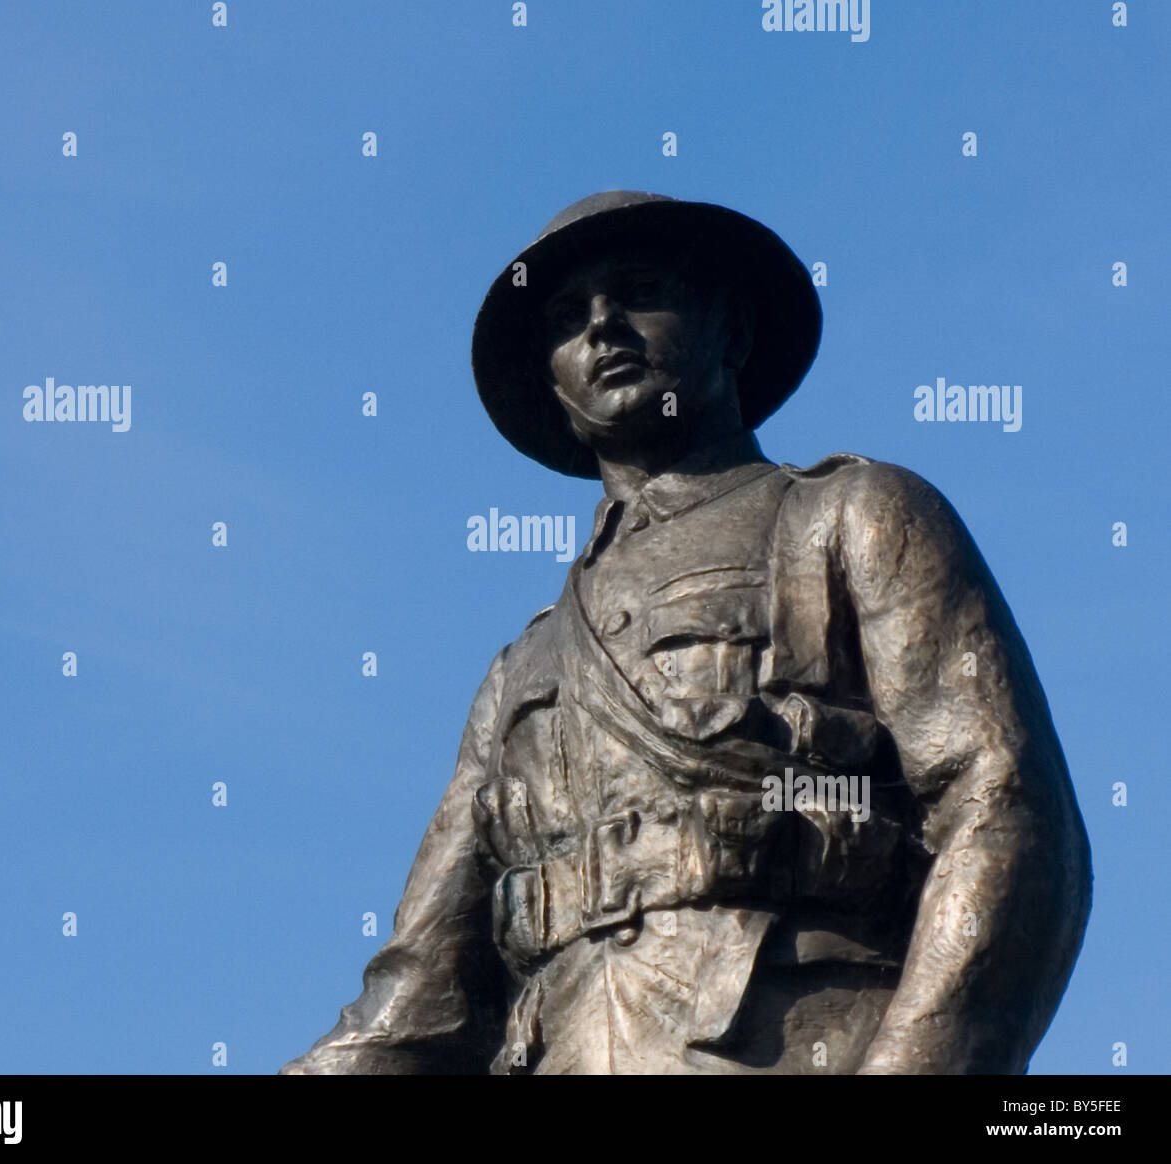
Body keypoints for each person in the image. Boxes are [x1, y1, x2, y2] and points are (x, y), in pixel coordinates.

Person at [281, 191, 1091, 1075]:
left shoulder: (852, 517)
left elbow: (1003, 812)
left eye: (637, 291)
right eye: (567, 317)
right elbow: (421, 997)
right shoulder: (520, 673)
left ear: (731, 331)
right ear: (552, 385)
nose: (603, 327)